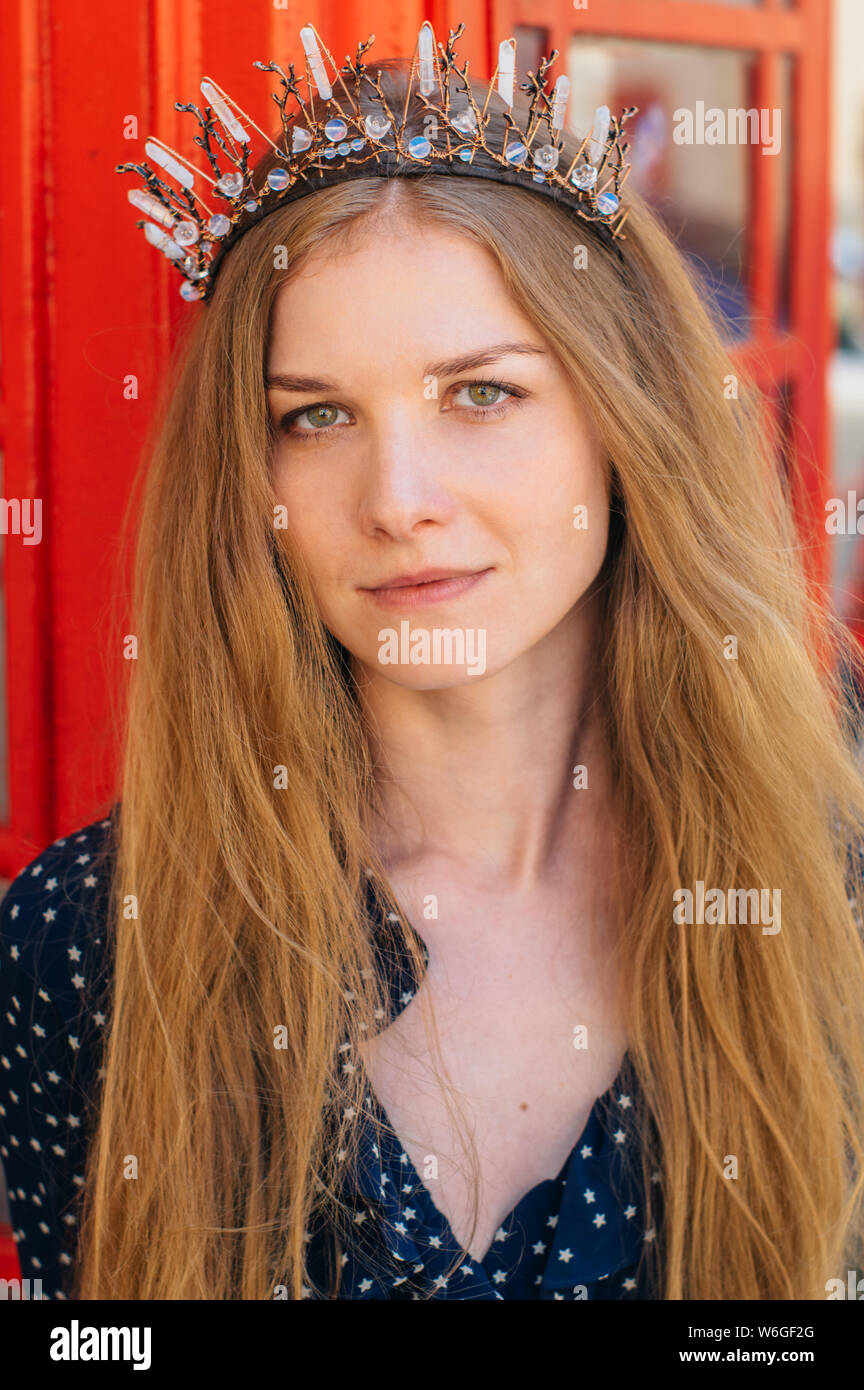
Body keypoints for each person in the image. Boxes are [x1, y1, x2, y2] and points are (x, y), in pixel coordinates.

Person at [3, 30, 864, 1303]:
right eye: (318, 416)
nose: (399, 500)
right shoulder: (83, 944)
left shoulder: (835, 865)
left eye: (479, 393)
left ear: (625, 419)